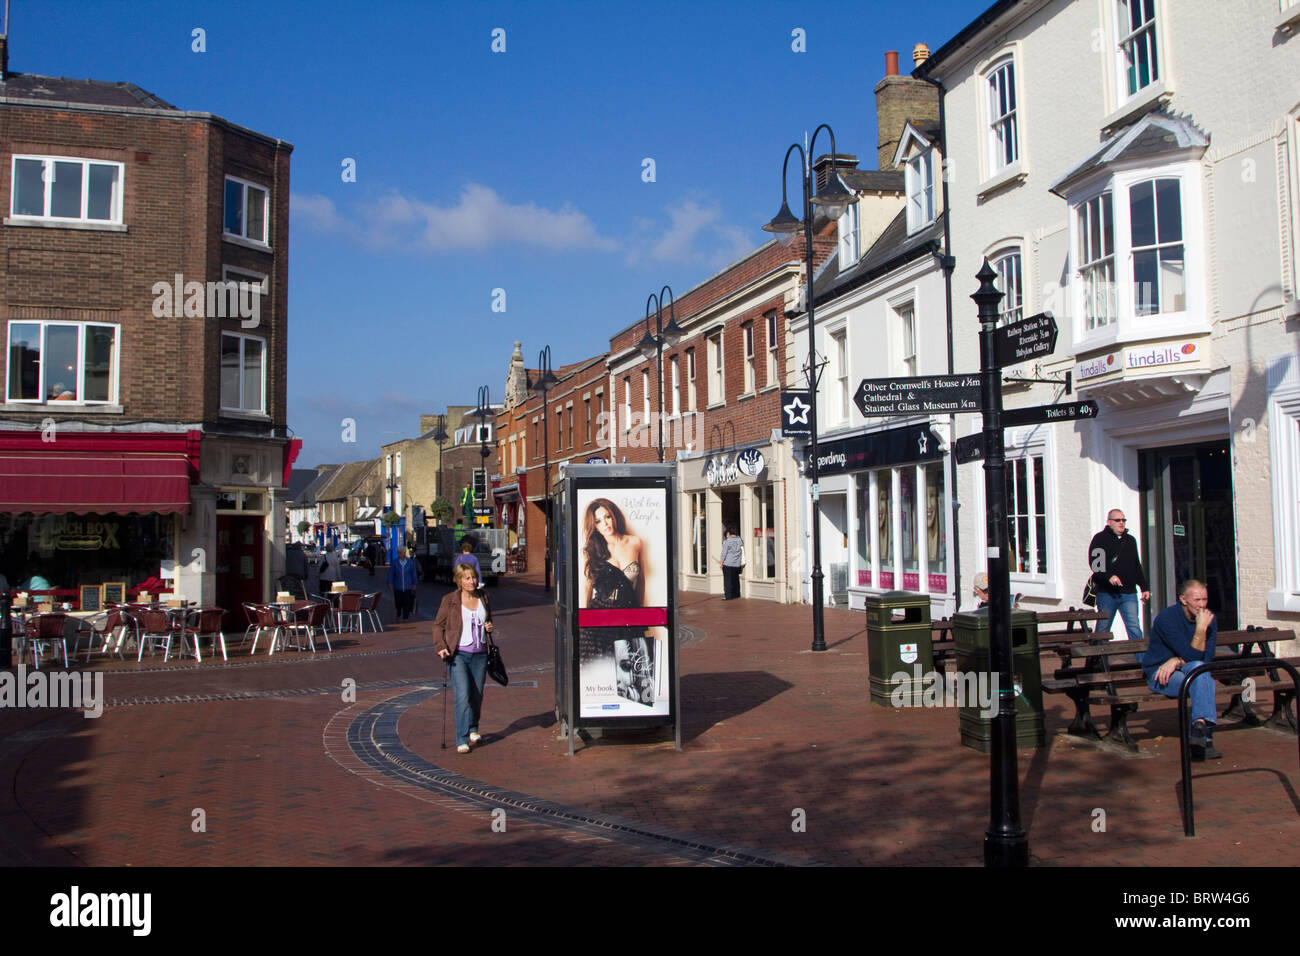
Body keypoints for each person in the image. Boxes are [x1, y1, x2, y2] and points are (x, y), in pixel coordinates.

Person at [1142, 580, 1219, 759]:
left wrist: (1177, 661)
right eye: (1197, 600)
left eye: (1205, 600)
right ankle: (1205, 739)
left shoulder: (1210, 619)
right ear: (1183, 599)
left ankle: (1199, 725)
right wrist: (1200, 629)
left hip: (1189, 669)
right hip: (1160, 673)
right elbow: (1191, 655)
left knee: (1200, 671)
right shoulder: (1167, 619)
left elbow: (1206, 658)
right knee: (1202, 676)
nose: (1201, 605)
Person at [432, 563, 493, 753]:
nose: (472, 581)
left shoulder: (483, 596)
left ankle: (474, 728)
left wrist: (489, 626)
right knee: (463, 695)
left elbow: (487, 619)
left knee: (477, 695)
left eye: (474, 577)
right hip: (458, 653)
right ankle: (462, 738)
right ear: (459, 581)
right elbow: (437, 626)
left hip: (480, 654)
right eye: (467, 578)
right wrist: (441, 646)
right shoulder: (450, 600)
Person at [1087, 509, 1149, 641]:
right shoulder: (1100, 538)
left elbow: (1136, 565)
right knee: (1103, 629)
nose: (1121, 523)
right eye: (1117, 520)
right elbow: (1096, 565)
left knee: (1134, 628)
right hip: (1107, 593)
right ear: (1109, 522)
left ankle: (1142, 661)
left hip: (1129, 593)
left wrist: (1144, 587)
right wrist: (1109, 576)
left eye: (1123, 520)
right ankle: (1097, 660)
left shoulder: (1130, 540)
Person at [581, 499, 644, 609]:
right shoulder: (591, 550)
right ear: (594, 526)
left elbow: (641, 581)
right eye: (598, 521)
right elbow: (587, 586)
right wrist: (583, 618)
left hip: (629, 611)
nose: (605, 523)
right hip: (600, 613)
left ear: (614, 516)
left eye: (607, 517)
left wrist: (640, 611)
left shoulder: (635, 542)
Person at [388, 546, 420, 621]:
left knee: (407, 602)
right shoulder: (395, 563)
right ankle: (398, 612)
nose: (402, 554)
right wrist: (390, 582)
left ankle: (406, 617)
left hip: (407, 586)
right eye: (400, 553)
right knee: (398, 602)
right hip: (398, 586)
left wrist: (414, 583)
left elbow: (413, 573)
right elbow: (391, 574)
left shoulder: (410, 562)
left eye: (403, 552)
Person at [716, 525, 743, 600]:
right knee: (735, 580)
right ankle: (736, 594)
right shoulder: (740, 540)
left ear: (729, 532)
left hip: (728, 564)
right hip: (737, 564)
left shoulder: (727, 541)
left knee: (727, 580)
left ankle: (728, 595)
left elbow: (724, 553)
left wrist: (721, 563)